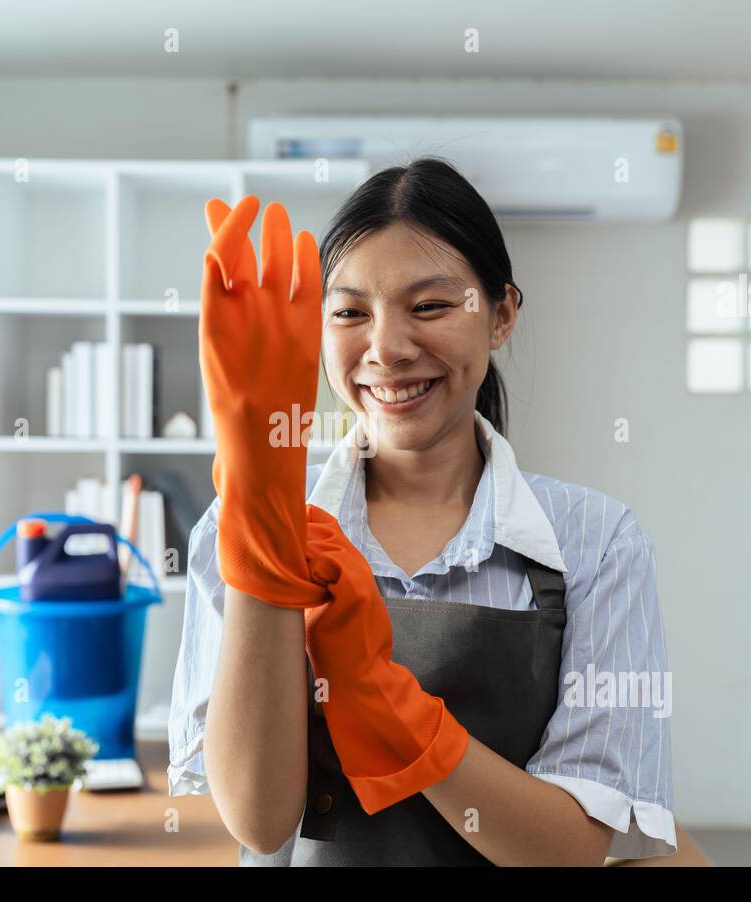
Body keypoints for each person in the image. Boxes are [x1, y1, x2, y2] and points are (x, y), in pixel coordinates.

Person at [169, 157, 698, 865]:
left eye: (430, 307)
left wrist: (392, 705)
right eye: (350, 312)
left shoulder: (597, 545)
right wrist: (262, 525)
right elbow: (261, 823)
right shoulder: (235, 535)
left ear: (501, 314)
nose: (386, 349)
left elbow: (569, 851)